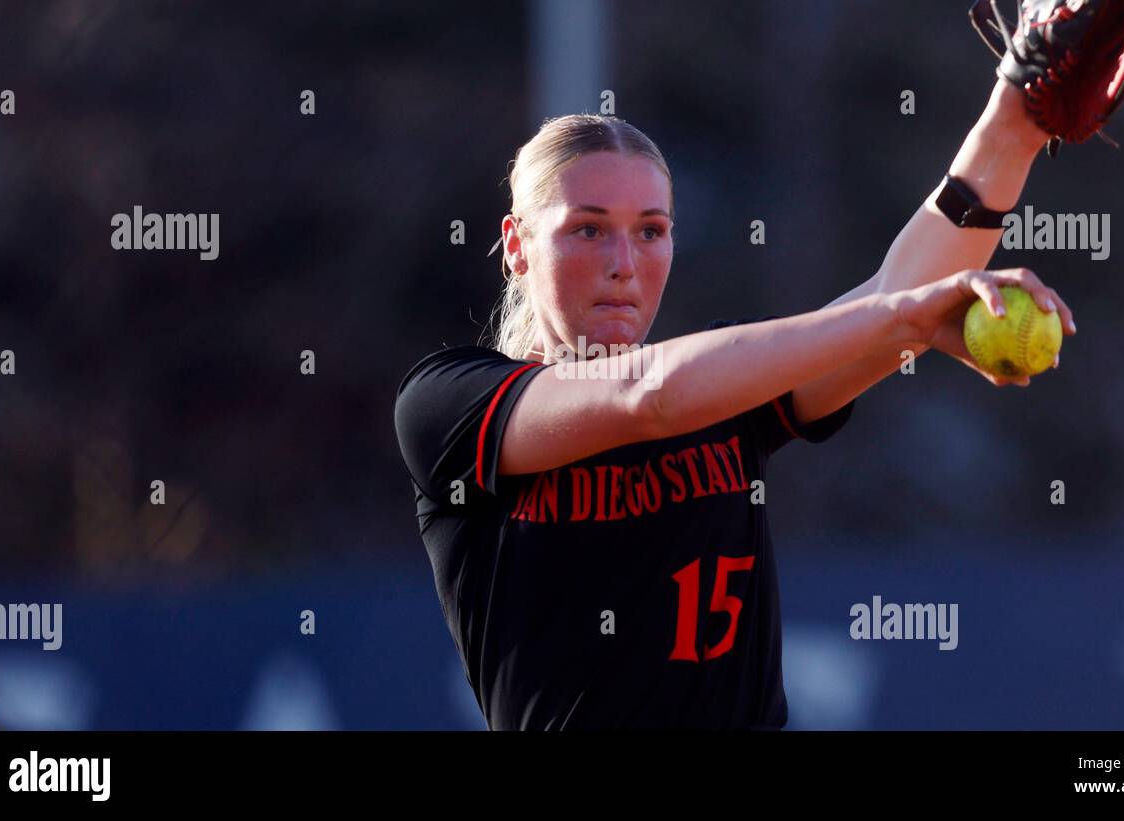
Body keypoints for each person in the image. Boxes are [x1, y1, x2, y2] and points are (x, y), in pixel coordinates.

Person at [395, 77, 1076, 730]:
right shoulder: (450, 404)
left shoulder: (726, 387)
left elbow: (899, 286)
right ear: (517, 247)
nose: (624, 263)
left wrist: (1014, 124)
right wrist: (902, 321)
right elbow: (647, 396)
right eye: (588, 228)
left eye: (652, 230)